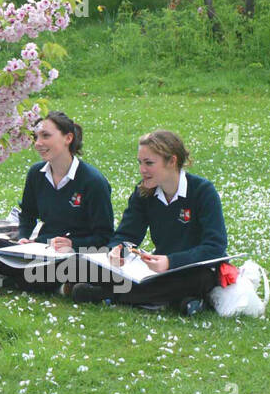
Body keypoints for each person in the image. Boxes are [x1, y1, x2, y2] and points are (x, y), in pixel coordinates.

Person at [72, 129, 228, 314]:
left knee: (197, 280)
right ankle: (180, 301)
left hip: (194, 269)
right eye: (140, 162)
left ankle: (110, 296)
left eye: (149, 163)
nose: (142, 170)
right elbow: (126, 234)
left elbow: (215, 246)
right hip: (157, 270)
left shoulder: (202, 191)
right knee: (94, 266)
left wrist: (170, 262)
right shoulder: (144, 192)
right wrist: (118, 249)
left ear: (172, 161)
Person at [0, 112, 113, 292]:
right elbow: (28, 214)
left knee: (78, 264)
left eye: (45, 136)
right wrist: (23, 237)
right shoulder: (36, 173)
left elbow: (105, 237)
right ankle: (43, 282)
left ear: (68, 138)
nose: (38, 143)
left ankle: (20, 279)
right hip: (39, 249)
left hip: (72, 254)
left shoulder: (93, 181)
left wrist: (72, 244)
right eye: (35, 137)